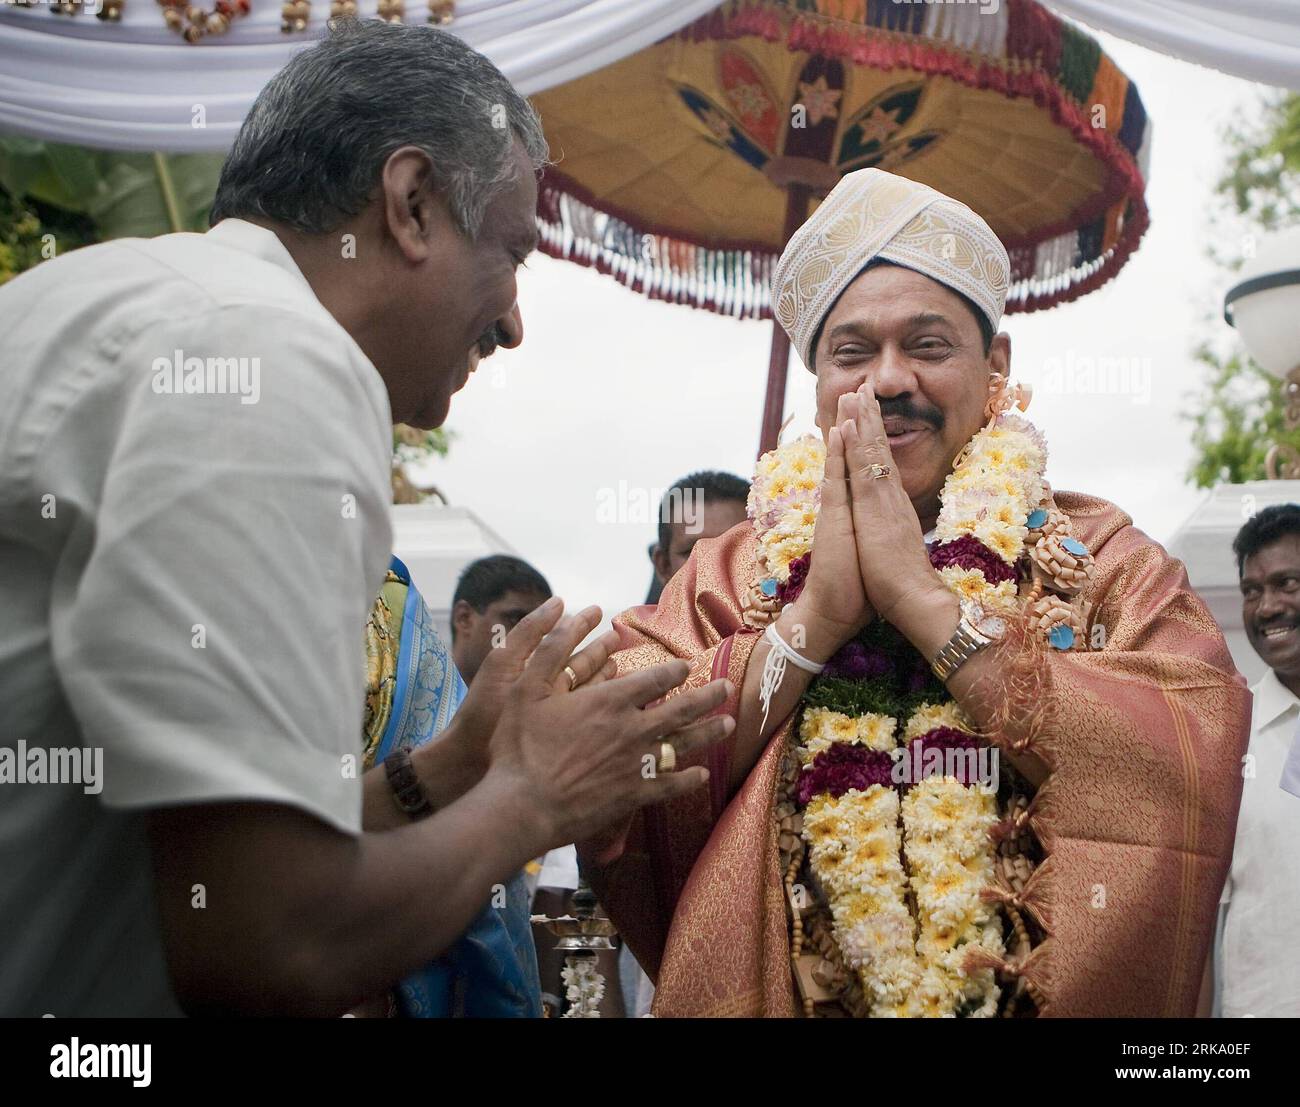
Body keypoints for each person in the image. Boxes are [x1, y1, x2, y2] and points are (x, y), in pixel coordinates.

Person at [0, 20, 731, 1017]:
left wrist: (454, 767)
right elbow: (268, 942)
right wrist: (536, 798)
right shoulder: (267, 364)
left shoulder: (128, 298)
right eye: (513, 251)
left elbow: (209, 842)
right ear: (414, 203)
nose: (515, 321)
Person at [582, 167, 1251, 1018]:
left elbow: (1187, 758)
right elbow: (621, 765)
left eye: (928, 346)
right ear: (818, 383)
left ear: (995, 365)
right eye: (853, 353)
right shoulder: (736, 567)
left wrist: (925, 606)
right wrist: (813, 622)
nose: (889, 380)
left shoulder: (1099, 555)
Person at [1207, 504, 1300, 1017]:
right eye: (1251, 591)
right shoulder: (1226, 740)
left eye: (1287, 583)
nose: (1267, 608)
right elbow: (1200, 924)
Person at [645, 471, 750, 604]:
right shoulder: (628, 624)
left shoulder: (783, 623)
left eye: (734, 548)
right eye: (694, 550)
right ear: (664, 565)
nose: (713, 568)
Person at [451, 554, 552, 685]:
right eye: (516, 620)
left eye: (543, 629)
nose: (535, 641)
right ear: (464, 618)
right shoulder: (419, 700)